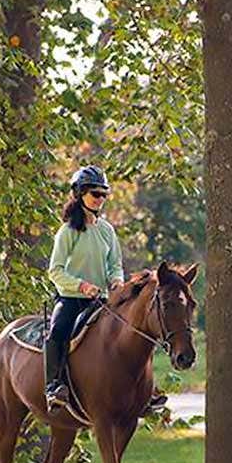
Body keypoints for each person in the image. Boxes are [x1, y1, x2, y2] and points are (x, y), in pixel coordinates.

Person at [43, 165, 166, 413]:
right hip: (71, 299)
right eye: (95, 194)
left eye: (103, 194)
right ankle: (53, 386)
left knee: (135, 330)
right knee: (57, 332)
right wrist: (82, 285)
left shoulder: (107, 231)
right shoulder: (67, 232)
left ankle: (145, 391)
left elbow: (115, 265)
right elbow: (54, 271)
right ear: (79, 194)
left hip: (102, 300)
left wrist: (116, 281)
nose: (100, 199)